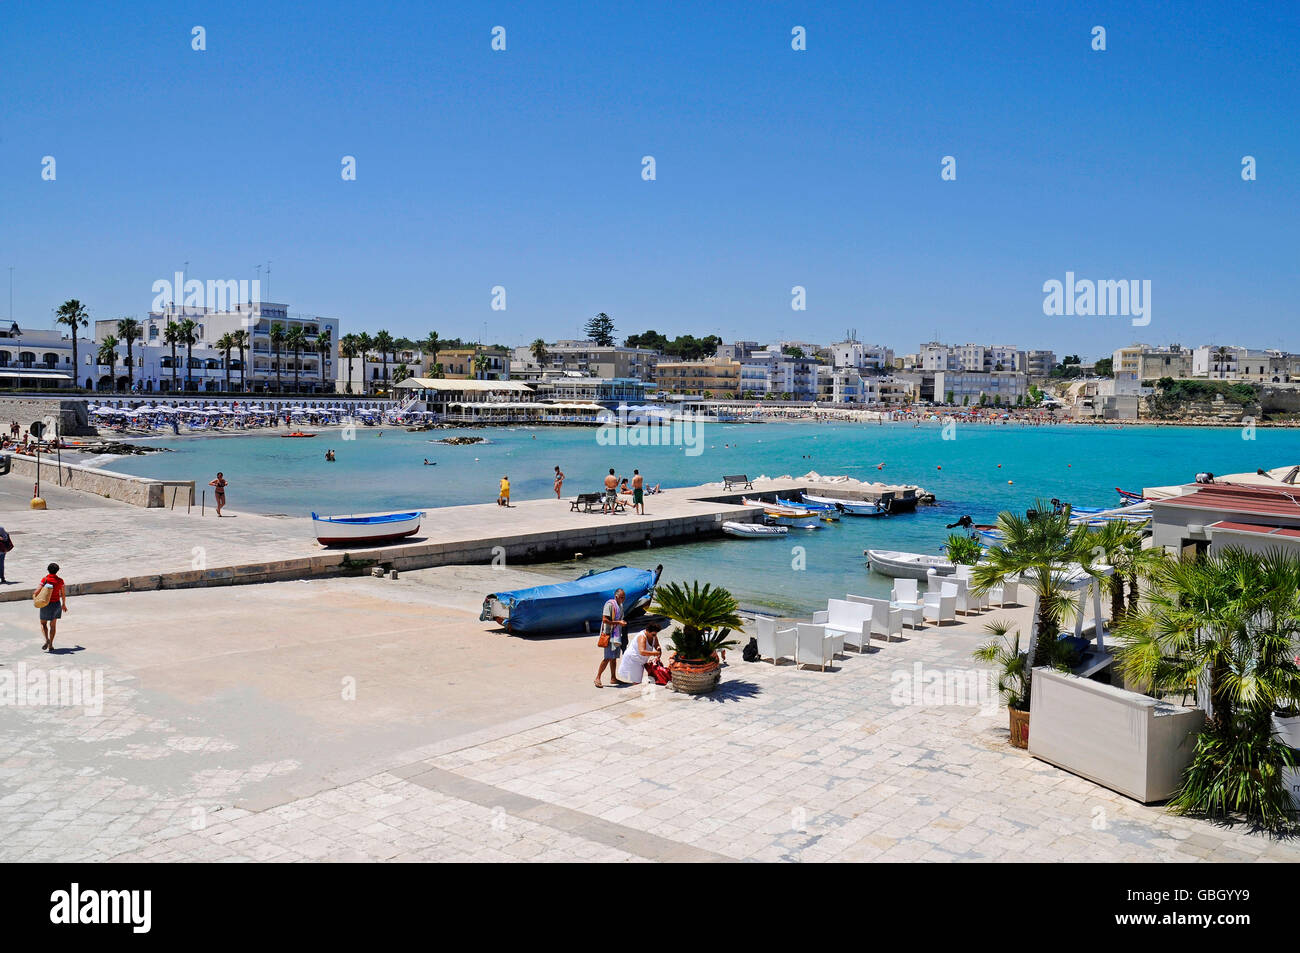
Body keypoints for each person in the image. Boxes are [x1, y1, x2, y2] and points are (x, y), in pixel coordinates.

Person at [594, 588, 626, 688]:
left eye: (624, 597)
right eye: (621, 597)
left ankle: (613, 678)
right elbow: (604, 619)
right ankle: (597, 678)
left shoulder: (620, 605)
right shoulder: (610, 605)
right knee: (607, 657)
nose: (623, 599)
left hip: (616, 635)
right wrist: (618, 623)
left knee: (614, 658)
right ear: (616, 597)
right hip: (609, 634)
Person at [35, 562, 68, 652]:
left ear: (48, 570)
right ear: (57, 571)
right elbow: (63, 594)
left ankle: (47, 640)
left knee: (43, 624)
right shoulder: (60, 581)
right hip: (56, 604)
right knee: (53, 625)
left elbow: (37, 591)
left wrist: (35, 596)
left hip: (46, 604)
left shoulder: (45, 579)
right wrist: (63, 604)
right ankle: (51, 645)